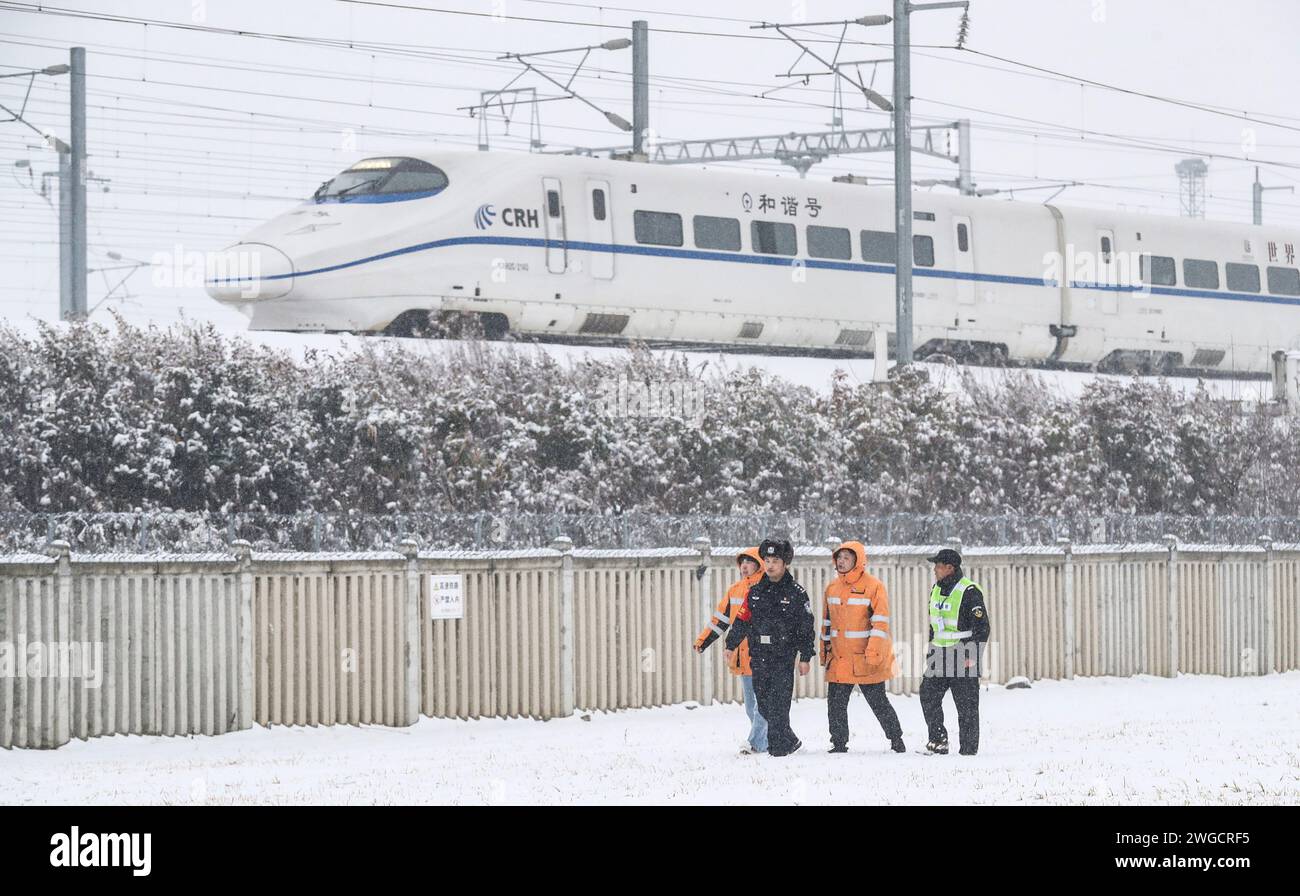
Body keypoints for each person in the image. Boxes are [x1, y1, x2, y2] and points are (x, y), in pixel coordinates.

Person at [724, 538, 815, 757]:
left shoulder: (796, 592)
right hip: (760, 656)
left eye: (776, 560)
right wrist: (731, 644)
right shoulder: (755, 592)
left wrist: (805, 656)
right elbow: (742, 619)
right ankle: (790, 740)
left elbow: (806, 627)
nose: (770, 565)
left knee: (780, 704)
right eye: (767, 560)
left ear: (785, 564)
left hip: (783, 657)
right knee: (763, 704)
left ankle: (778, 750)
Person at [821, 541, 905, 754]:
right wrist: (825, 650)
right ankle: (838, 743)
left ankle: (896, 739)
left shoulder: (873, 586)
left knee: (878, 702)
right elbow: (827, 622)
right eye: (839, 558)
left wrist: (873, 651)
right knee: (836, 704)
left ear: (858, 561)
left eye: (847, 558)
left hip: (866, 657)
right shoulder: (832, 588)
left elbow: (880, 622)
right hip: (840, 658)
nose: (841, 562)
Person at [694, 547, 768, 755]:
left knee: (762, 704)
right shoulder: (735, 590)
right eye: (742, 563)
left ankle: (755, 743)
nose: (744, 566)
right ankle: (770, 741)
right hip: (742, 657)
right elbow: (721, 621)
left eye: (749, 562)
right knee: (751, 707)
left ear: (759, 564)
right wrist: (704, 641)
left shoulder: (768, 587)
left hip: (763, 655)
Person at [919, 548, 991, 755]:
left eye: (938, 566)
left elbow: (982, 628)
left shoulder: (969, 592)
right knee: (928, 695)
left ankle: (968, 751)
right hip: (939, 654)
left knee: (966, 705)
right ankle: (938, 740)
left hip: (962, 653)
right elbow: (935, 624)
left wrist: (972, 655)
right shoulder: (936, 589)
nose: (935, 570)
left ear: (950, 568)